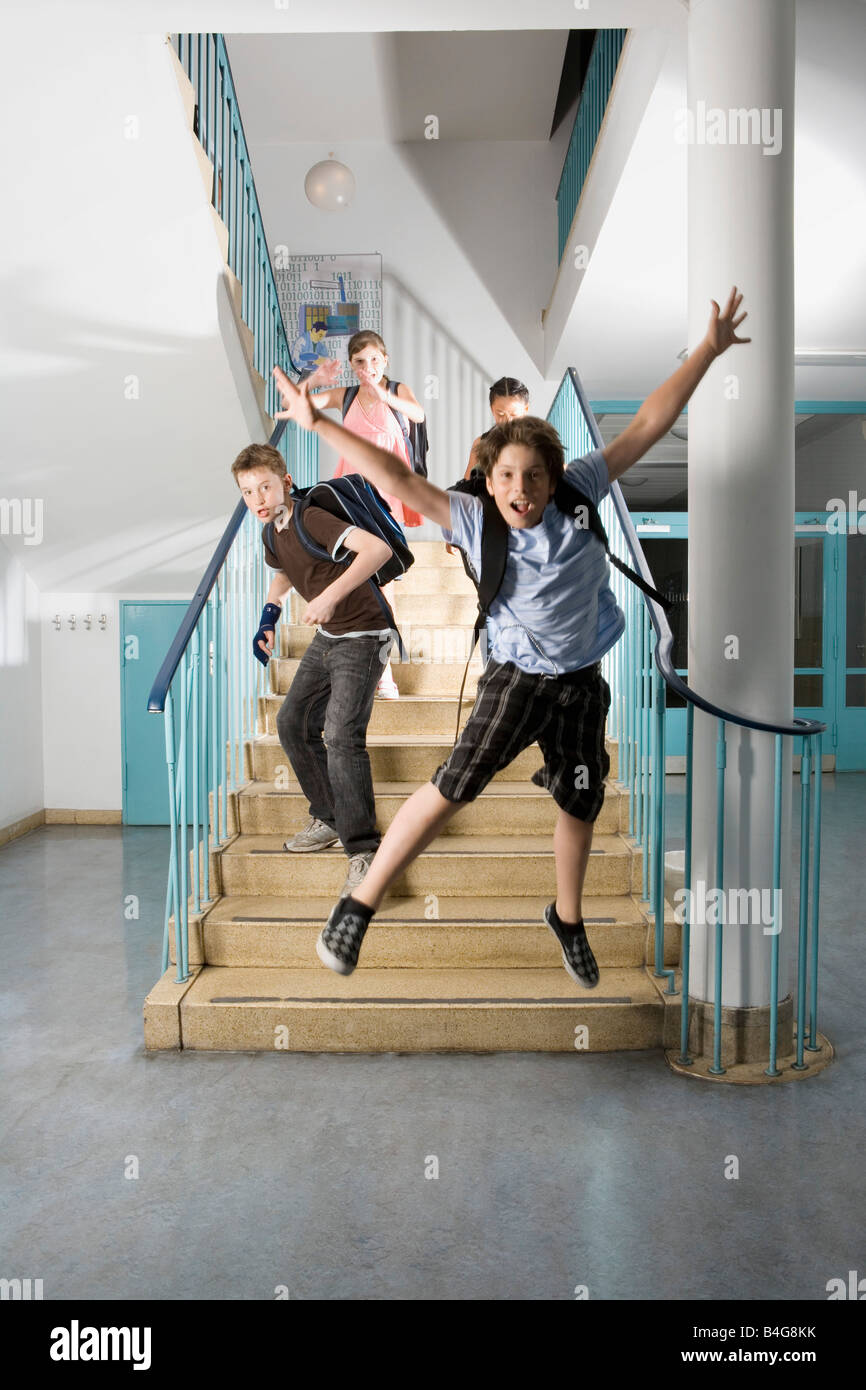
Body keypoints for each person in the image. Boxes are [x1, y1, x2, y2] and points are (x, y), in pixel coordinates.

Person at [274, 288, 750, 988]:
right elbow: (396, 474)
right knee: (454, 786)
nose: (520, 490)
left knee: (581, 797)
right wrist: (319, 424)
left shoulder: (583, 487)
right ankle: (360, 900)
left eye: (532, 476)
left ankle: (568, 916)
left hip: (581, 682)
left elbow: (650, 421)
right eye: (505, 477)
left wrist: (707, 350)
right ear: (487, 480)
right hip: (517, 679)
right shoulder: (471, 517)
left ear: (555, 475)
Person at [232, 441, 393, 900]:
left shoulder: (310, 517)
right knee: (292, 722)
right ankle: (327, 816)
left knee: (341, 736)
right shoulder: (271, 531)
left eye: (265, 487)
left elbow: (376, 551)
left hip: (365, 632)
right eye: (247, 492)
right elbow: (284, 570)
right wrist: (269, 616)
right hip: (332, 636)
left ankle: (363, 849)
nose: (258, 499)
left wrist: (329, 597)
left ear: (284, 483)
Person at [302, 330, 426, 700]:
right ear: (352, 366)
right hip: (351, 497)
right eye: (359, 362)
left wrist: (384, 393)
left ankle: (384, 675)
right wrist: (315, 378)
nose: (367, 367)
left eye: (374, 359)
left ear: (385, 359)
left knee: (383, 584)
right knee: (350, 579)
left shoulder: (398, 390)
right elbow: (300, 403)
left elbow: (417, 413)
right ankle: (348, 671)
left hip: (386, 498)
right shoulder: (346, 395)